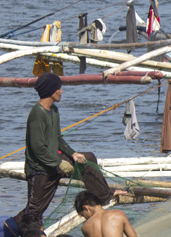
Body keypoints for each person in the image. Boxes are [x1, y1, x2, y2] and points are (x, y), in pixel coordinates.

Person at [16, 73, 117, 226]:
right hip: (39, 169)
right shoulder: (37, 113)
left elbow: (57, 139)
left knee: (88, 159)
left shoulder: (54, 111)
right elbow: (37, 148)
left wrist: (73, 154)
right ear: (51, 90)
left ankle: (104, 196)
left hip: (53, 163)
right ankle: (18, 235)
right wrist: (59, 162)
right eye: (59, 88)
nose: (61, 91)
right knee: (34, 212)